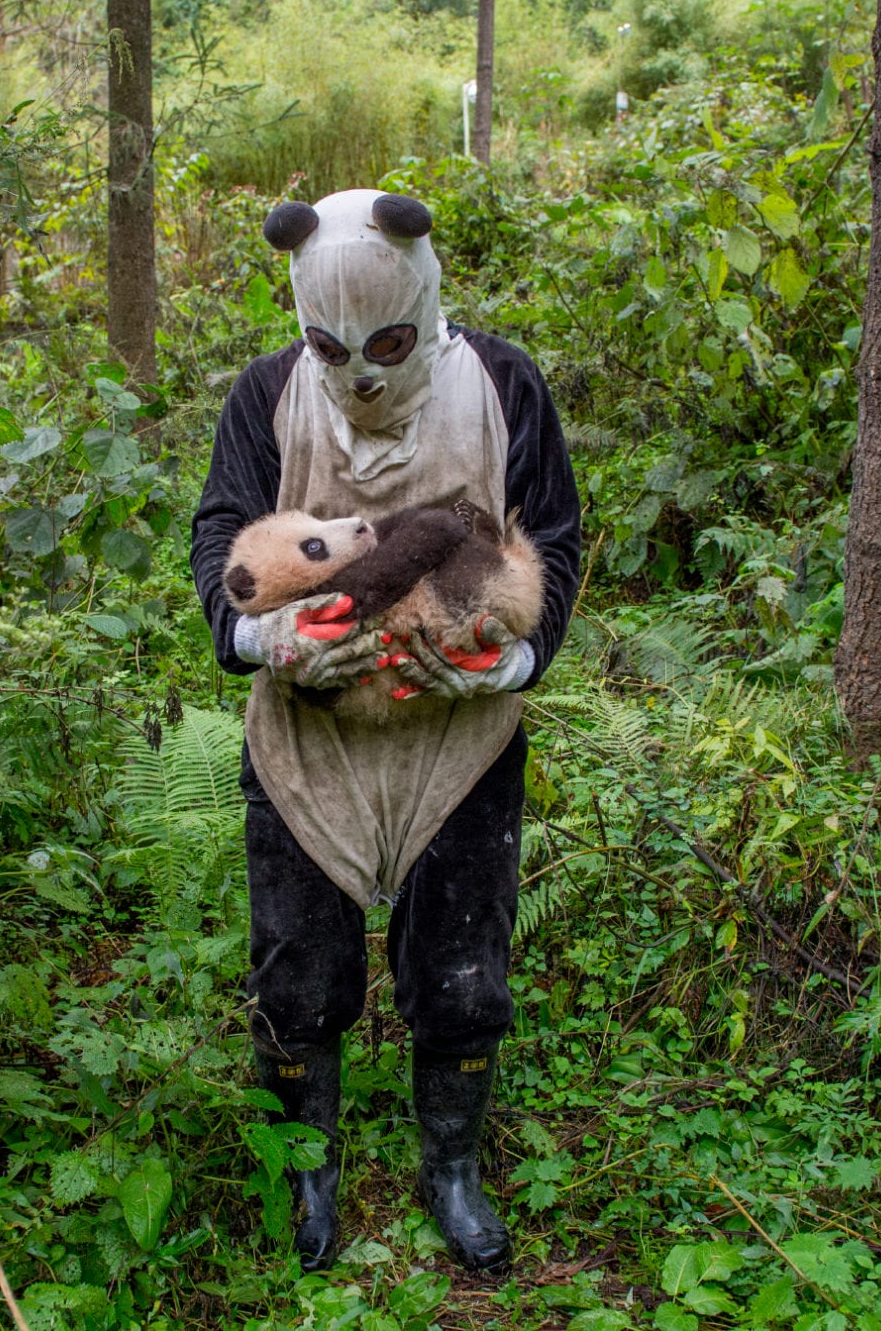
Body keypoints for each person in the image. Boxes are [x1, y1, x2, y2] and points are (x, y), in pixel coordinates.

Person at [190, 188, 581, 1273]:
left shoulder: (503, 384)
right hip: (307, 743)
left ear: (424, 299)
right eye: (332, 348)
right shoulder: (267, 396)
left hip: (460, 743)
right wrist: (258, 638)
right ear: (301, 327)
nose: (360, 375)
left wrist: (518, 658)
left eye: (388, 346)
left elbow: (554, 534)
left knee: (464, 974)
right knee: (297, 973)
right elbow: (221, 533)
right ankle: (308, 1173)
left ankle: (451, 1168)